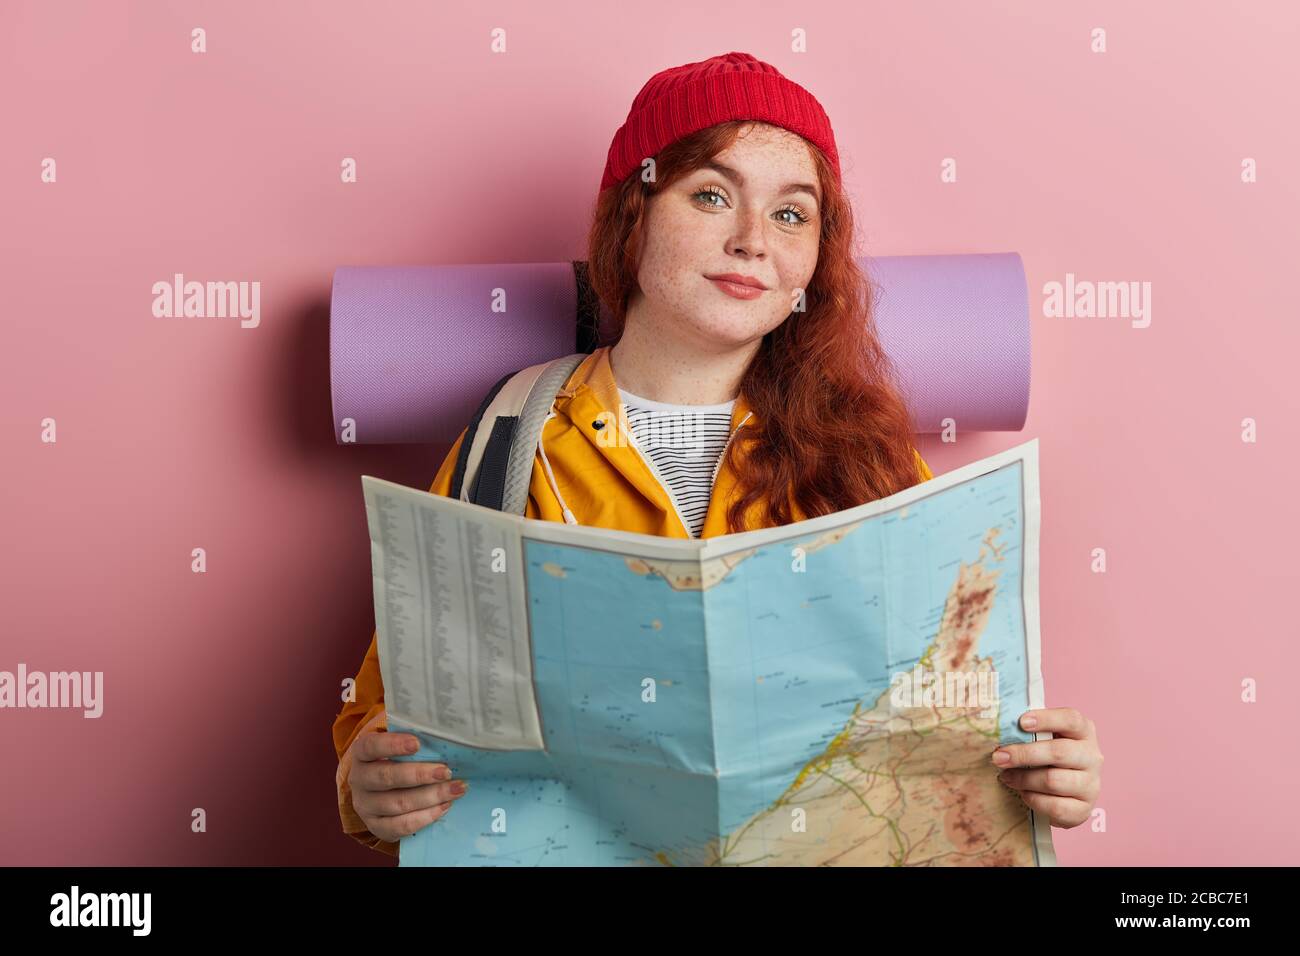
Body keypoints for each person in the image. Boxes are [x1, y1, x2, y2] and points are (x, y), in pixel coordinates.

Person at [331, 51, 1103, 859]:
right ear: (633, 215)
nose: (751, 241)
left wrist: (1046, 771)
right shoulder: (507, 439)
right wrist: (366, 779)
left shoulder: (869, 457)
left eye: (792, 215)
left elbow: (953, 706)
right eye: (710, 196)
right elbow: (393, 711)